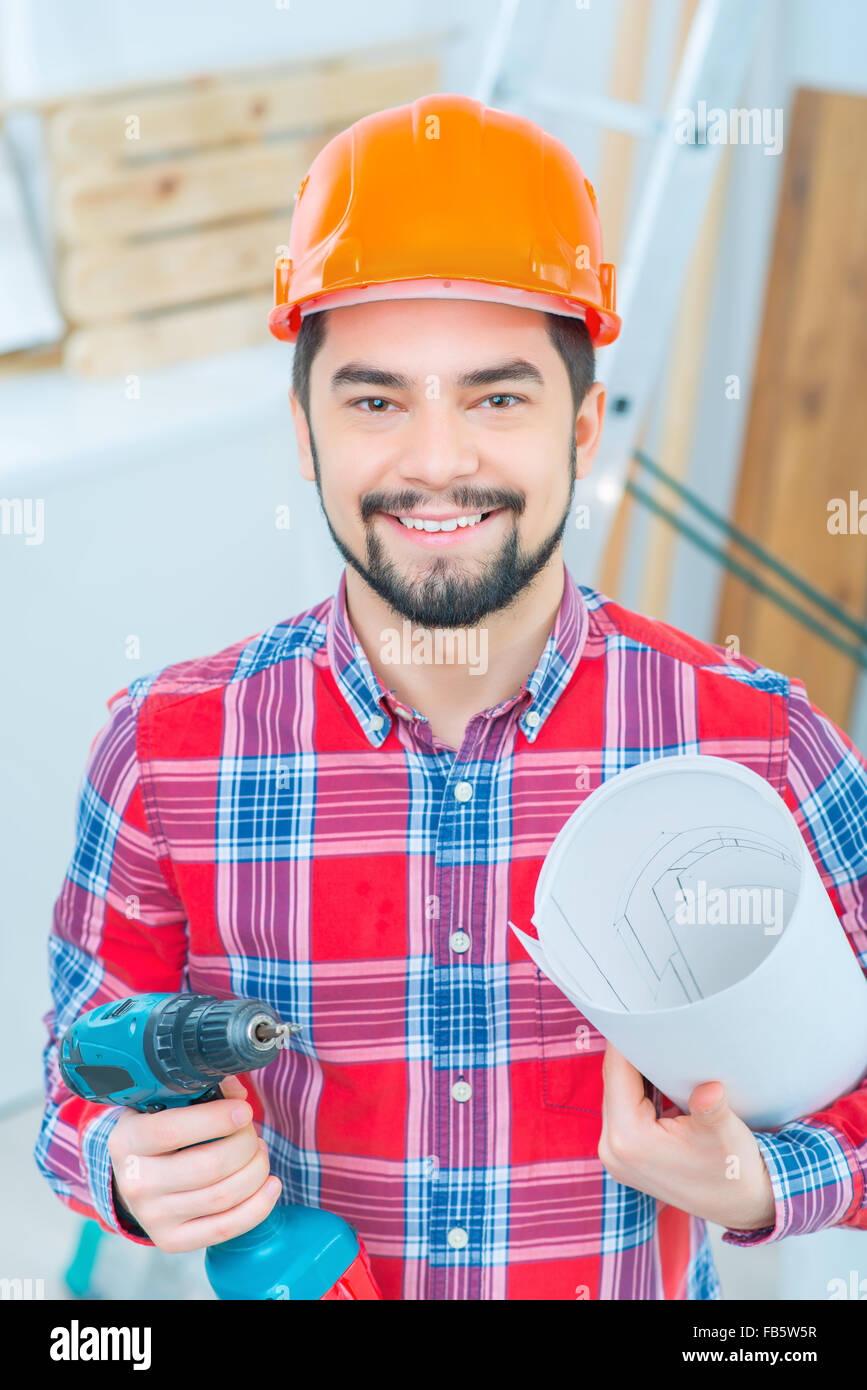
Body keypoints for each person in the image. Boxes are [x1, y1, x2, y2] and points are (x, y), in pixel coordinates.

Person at [35, 93, 867, 1301]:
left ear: (582, 423)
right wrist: (118, 1165)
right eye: (376, 400)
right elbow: (75, 1087)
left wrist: (762, 1186)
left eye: (497, 396)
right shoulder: (165, 754)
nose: (436, 460)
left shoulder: (763, 745)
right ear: (305, 432)